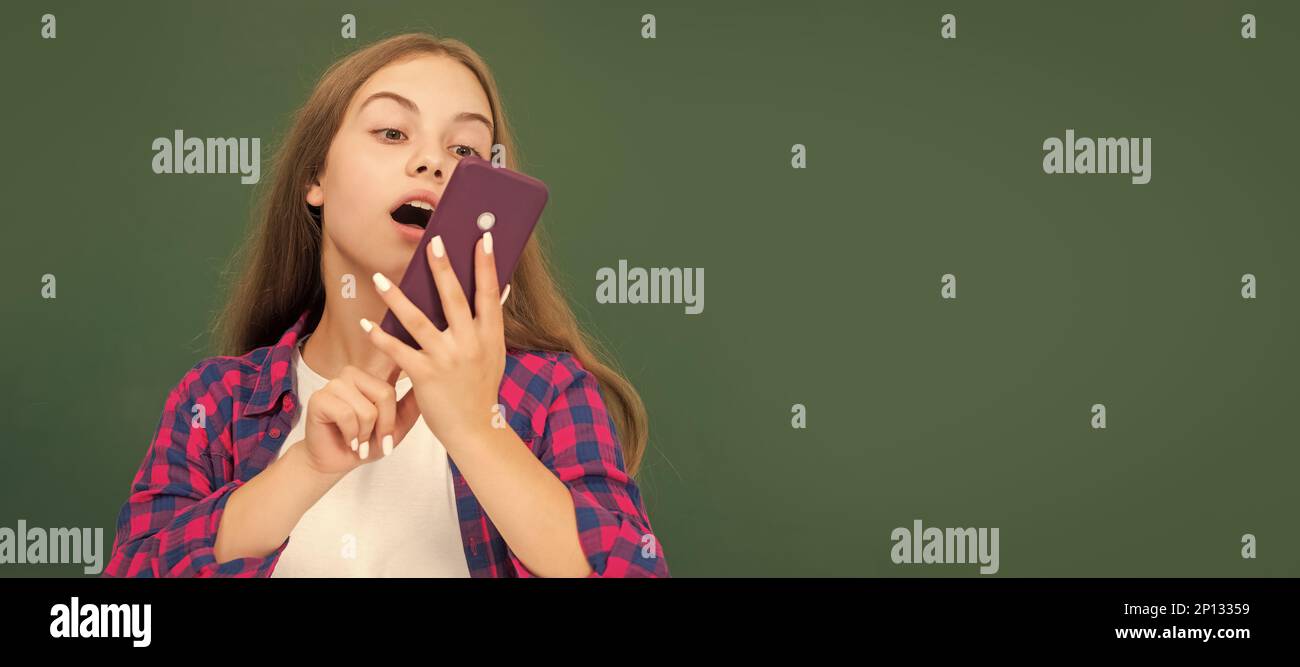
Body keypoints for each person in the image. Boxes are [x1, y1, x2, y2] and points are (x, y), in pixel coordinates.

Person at [103, 33, 668, 578]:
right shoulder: (217, 402)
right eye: (393, 132)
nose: (433, 163)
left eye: (465, 148)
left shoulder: (548, 393)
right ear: (314, 177)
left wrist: (477, 430)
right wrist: (303, 468)